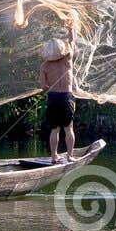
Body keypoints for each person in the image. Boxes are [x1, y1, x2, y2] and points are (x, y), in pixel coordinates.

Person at [40, 17, 78, 164]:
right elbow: (72, 41)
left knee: (54, 129)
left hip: (53, 97)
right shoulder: (67, 58)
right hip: (66, 97)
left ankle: (54, 156)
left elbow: (43, 86)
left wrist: (51, 88)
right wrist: (70, 28)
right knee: (69, 129)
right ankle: (69, 156)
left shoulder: (44, 66)